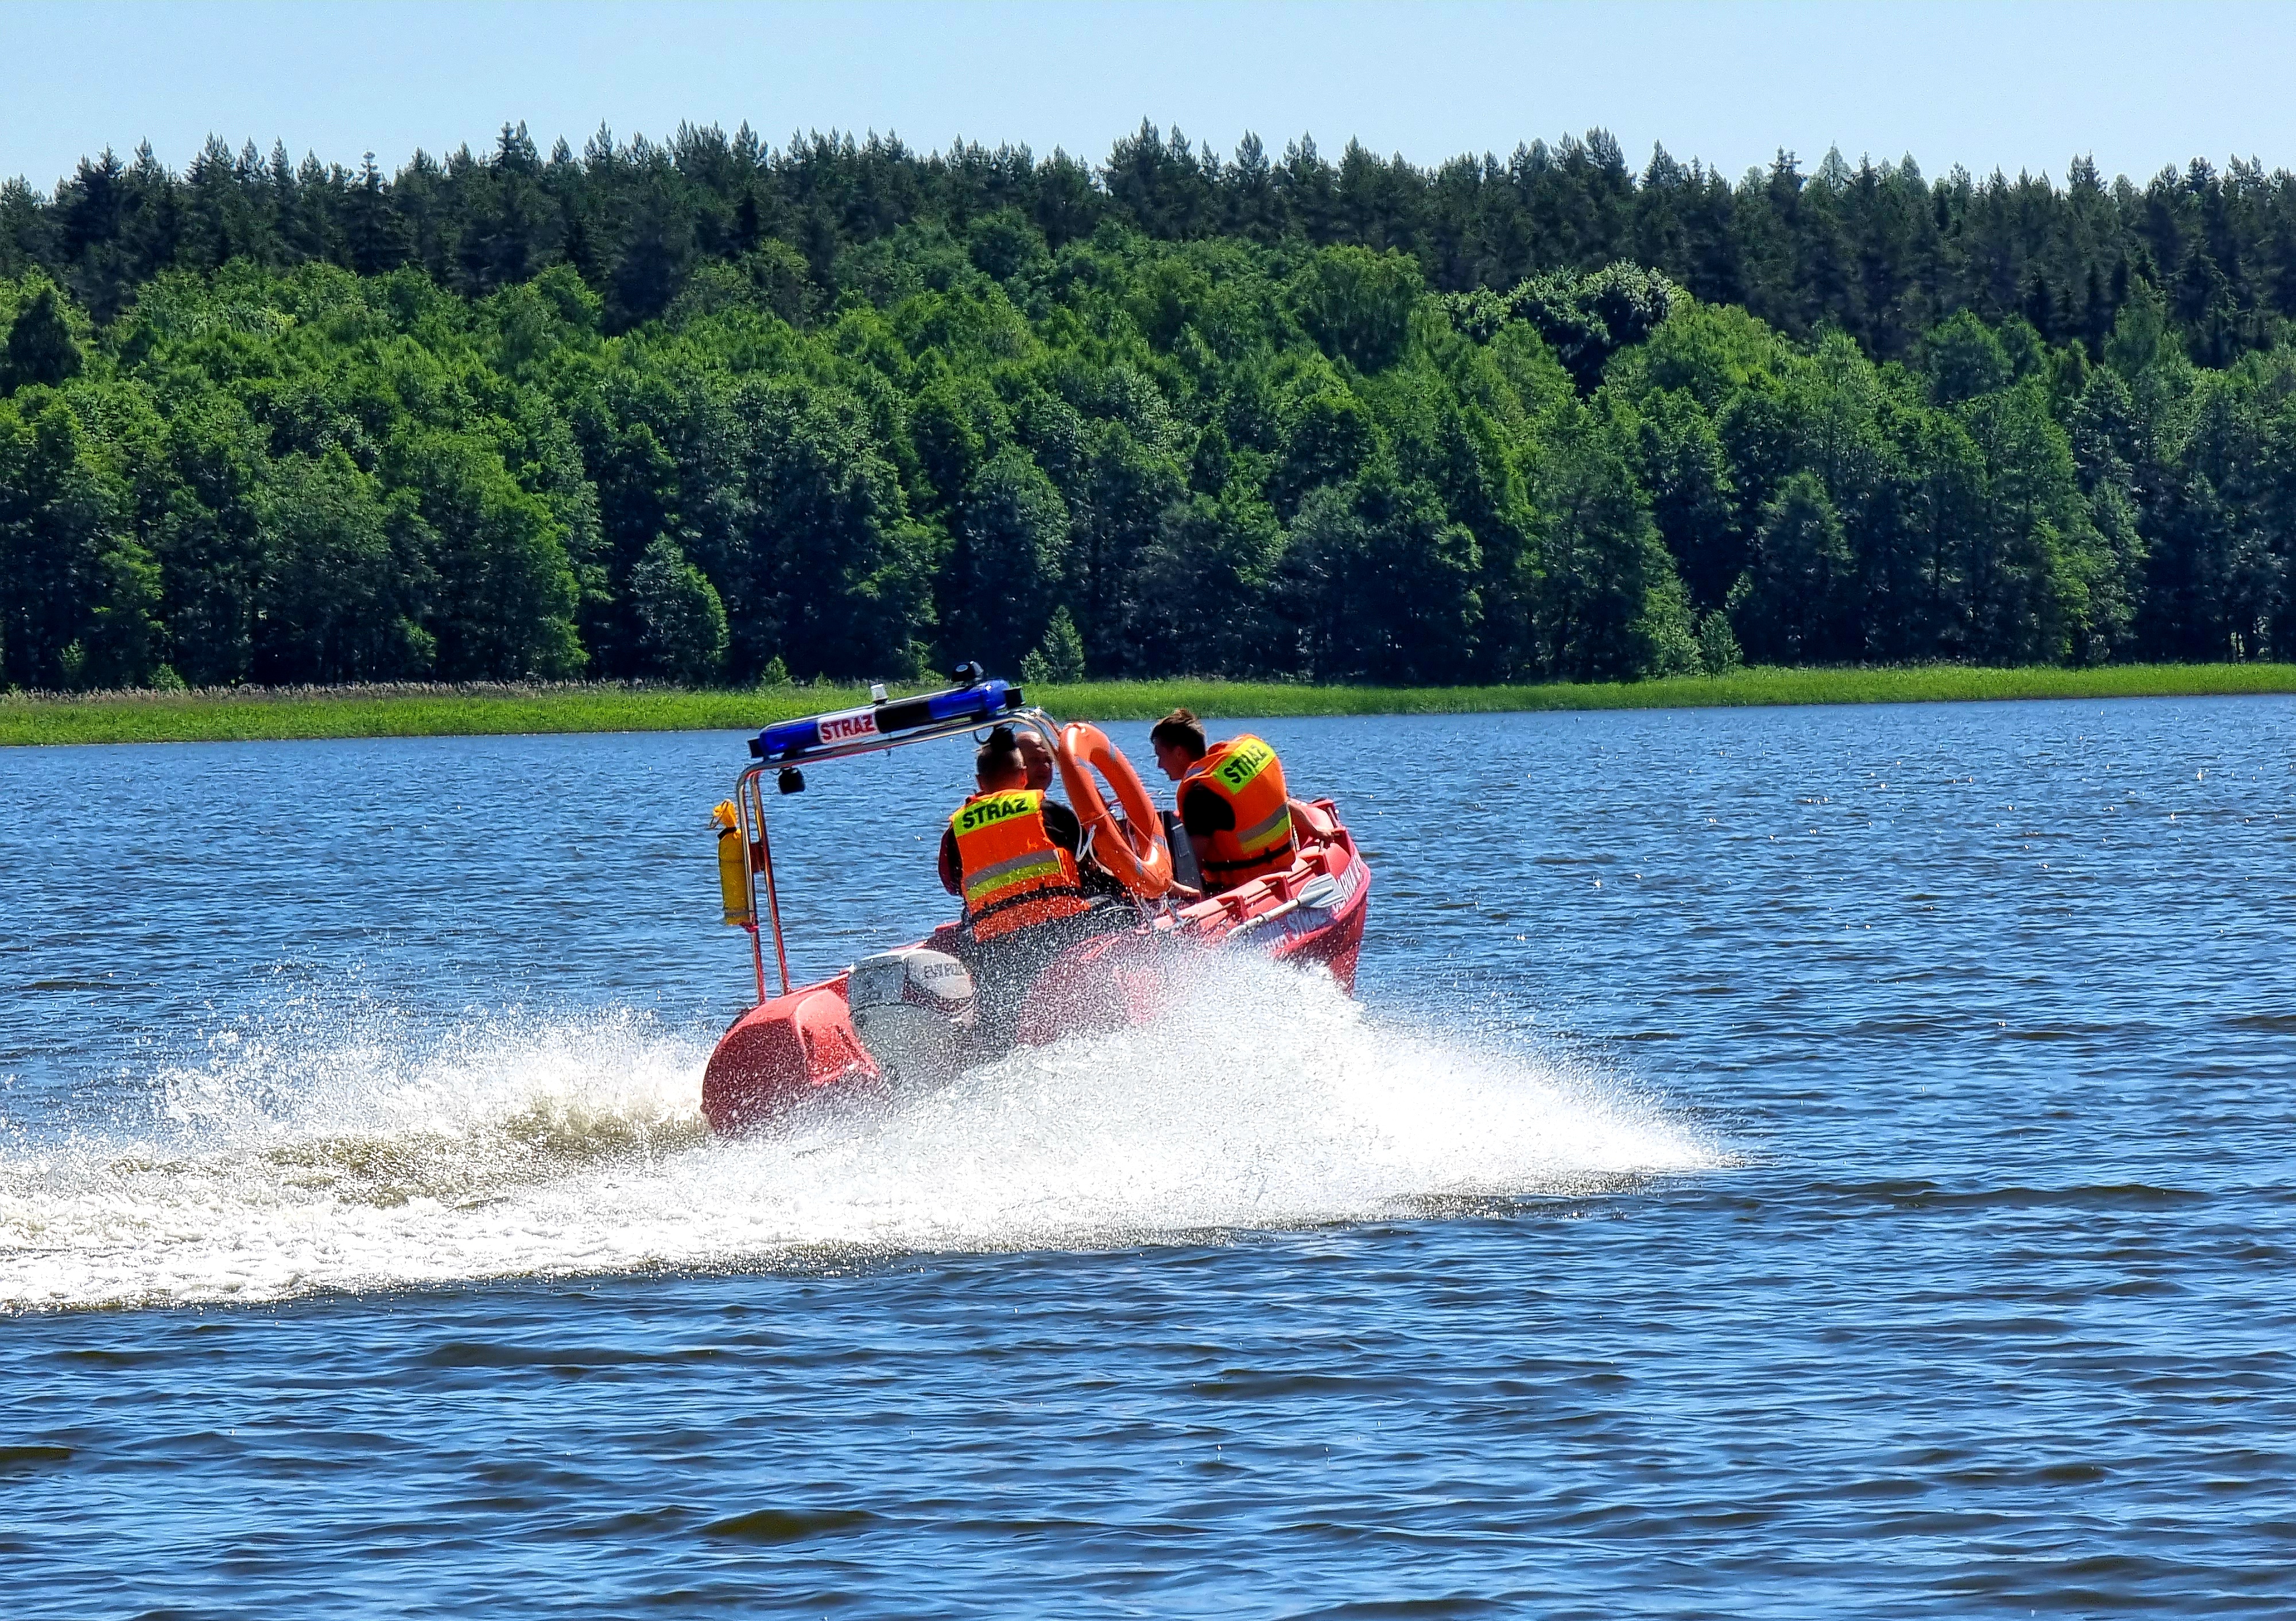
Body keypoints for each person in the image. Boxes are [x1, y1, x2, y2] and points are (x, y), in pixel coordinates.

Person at [938, 726, 1099, 1048]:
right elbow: (1095, 866)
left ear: (980, 783)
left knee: (999, 1028)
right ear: (1024, 776)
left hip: (996, 946)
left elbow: (954, 885)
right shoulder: (1047, 811)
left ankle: (992, 1045)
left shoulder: (957, 829)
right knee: (1117, 909)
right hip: (1062, 932)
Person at [1149, 708, 1298, 894]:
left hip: (1247, 887)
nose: (1159, 765)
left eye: (1160, 756)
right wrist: (1317, 832)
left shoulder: (1199, 796)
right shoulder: (1229, 768)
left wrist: (1161, 888)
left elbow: (1190, 873)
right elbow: (1284, 804)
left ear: (1179, 753)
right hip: (1280, 868)